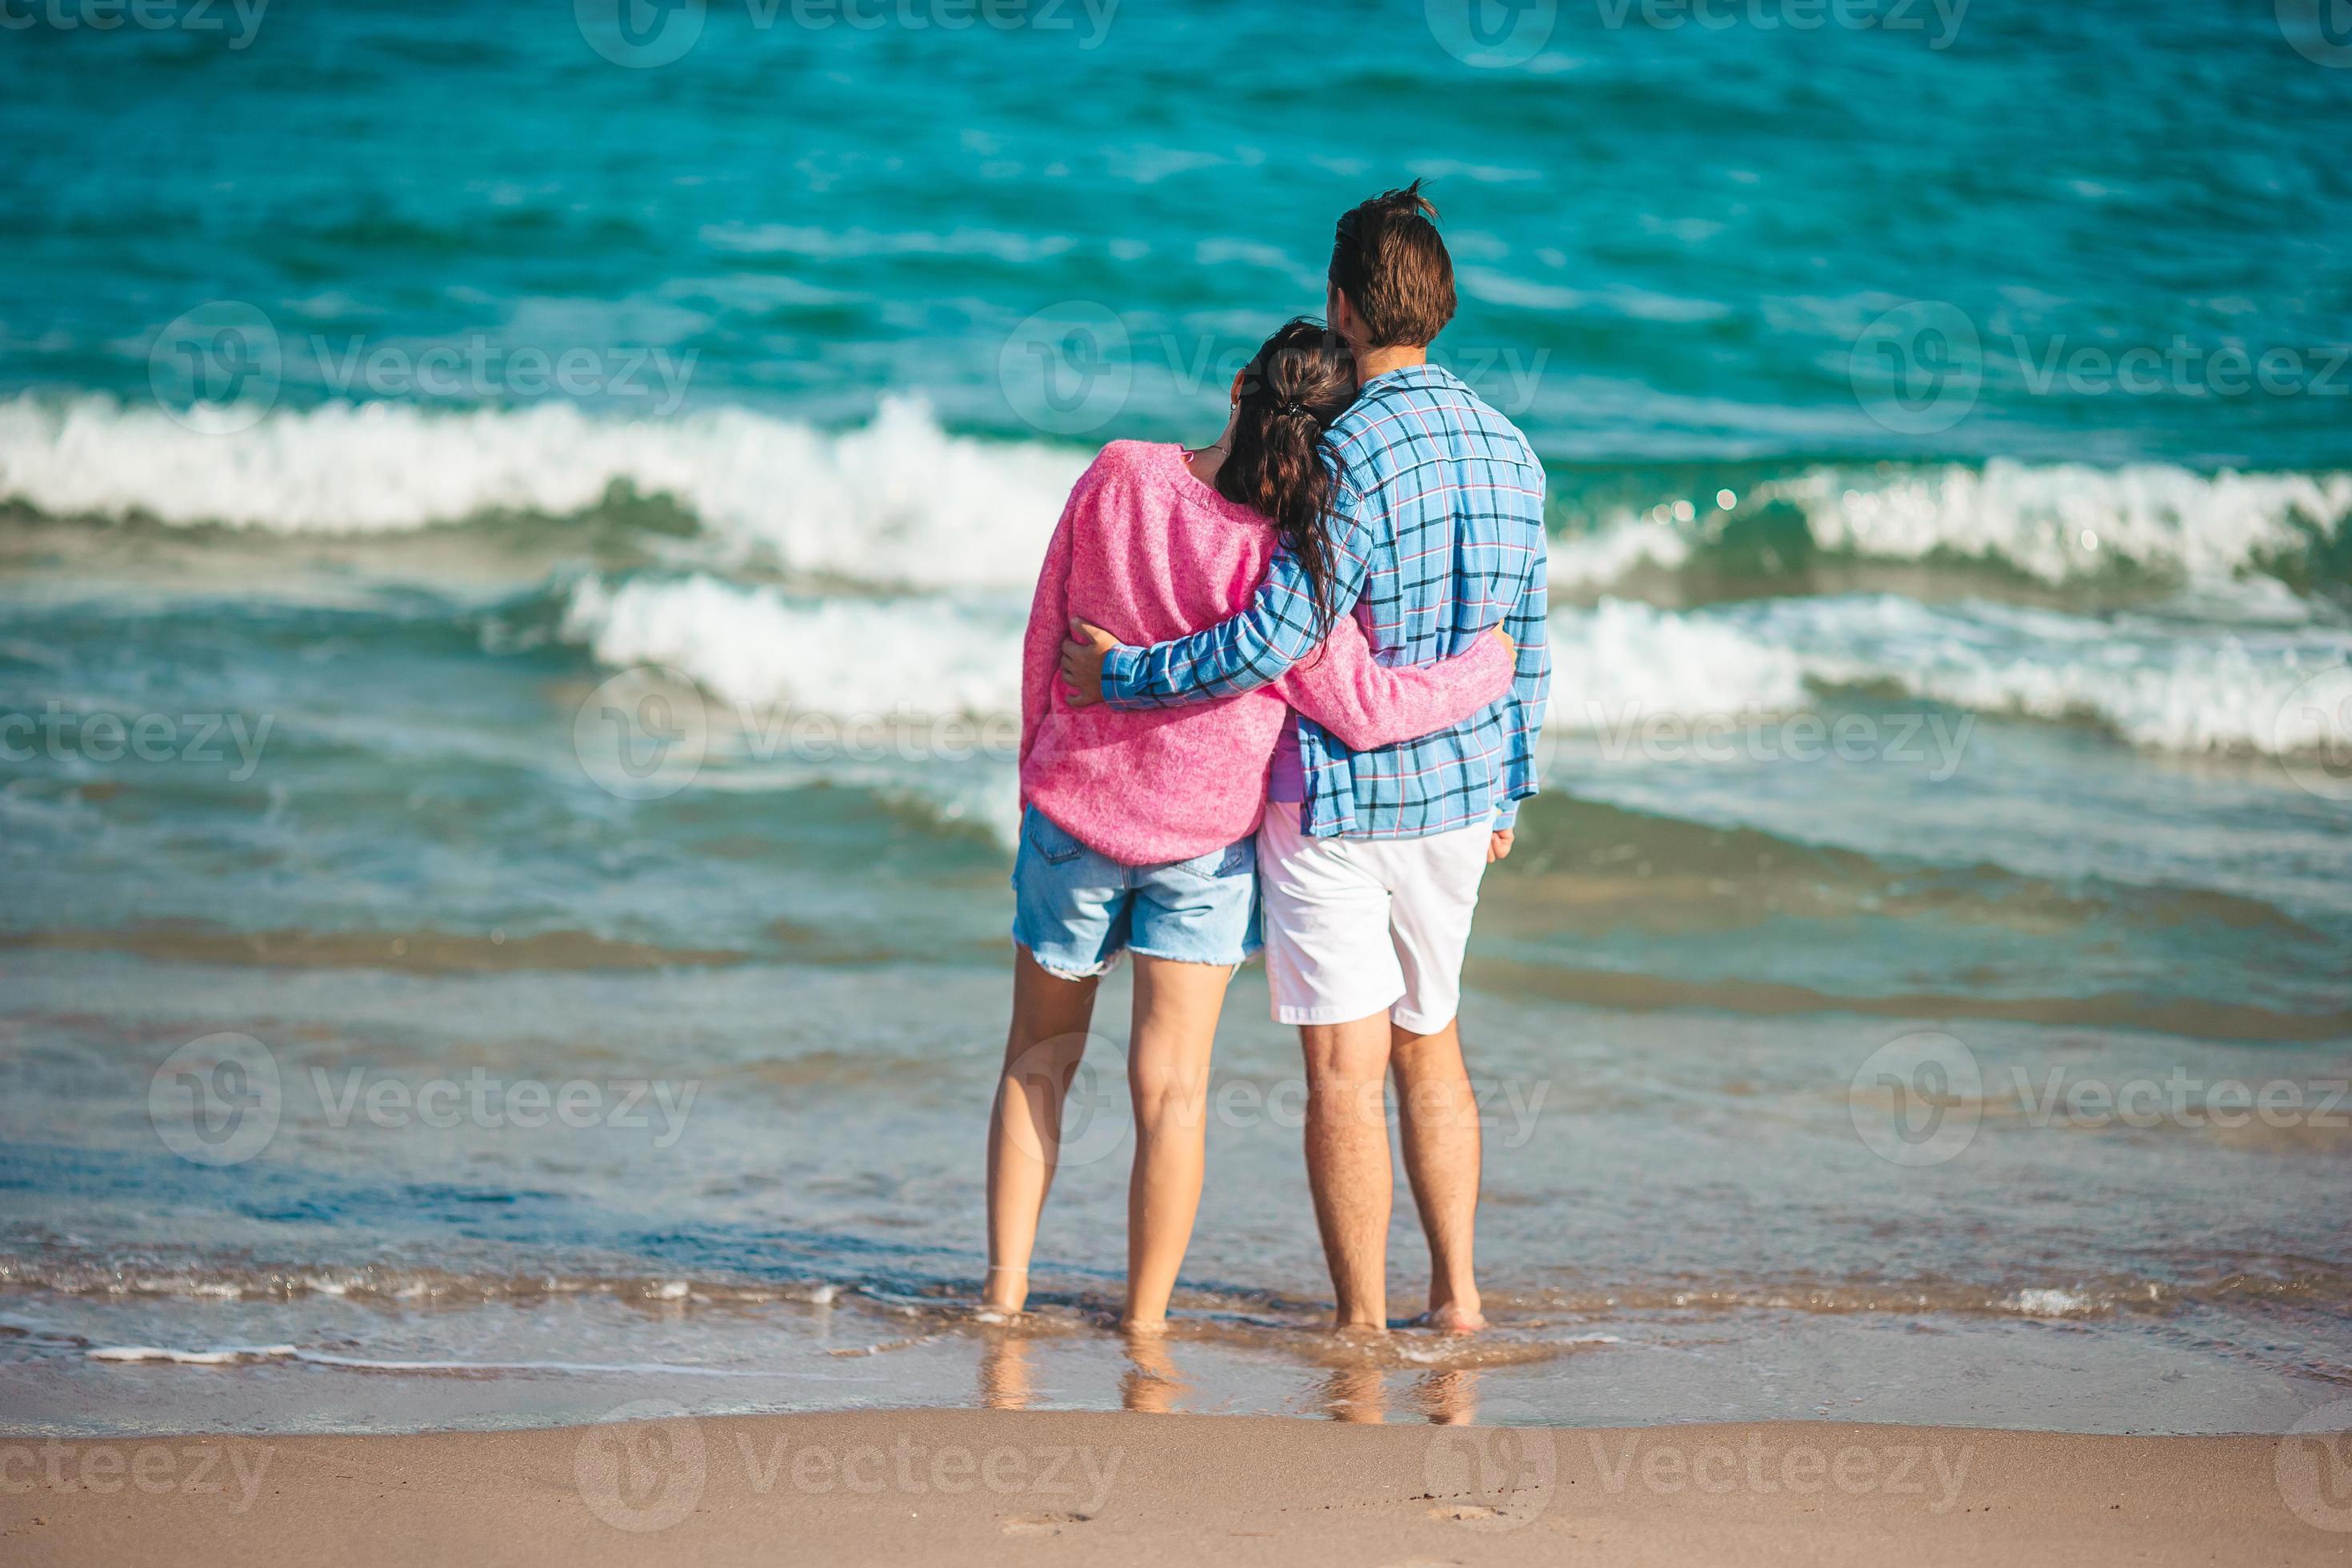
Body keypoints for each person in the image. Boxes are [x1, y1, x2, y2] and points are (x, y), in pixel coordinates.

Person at [1063, 183, 1551, 1335]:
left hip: (1338, 797)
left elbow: (1276, 639)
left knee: (1344, 1073)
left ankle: (1367, 1325)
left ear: (1342, 305)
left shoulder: (1349, 447)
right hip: (1460, 799)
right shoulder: (1515, 452)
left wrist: (1124, 674)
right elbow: (1528, 642)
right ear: (1440, 304)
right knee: (1432, 1045)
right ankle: (1463, 1299)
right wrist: (1512, 782)